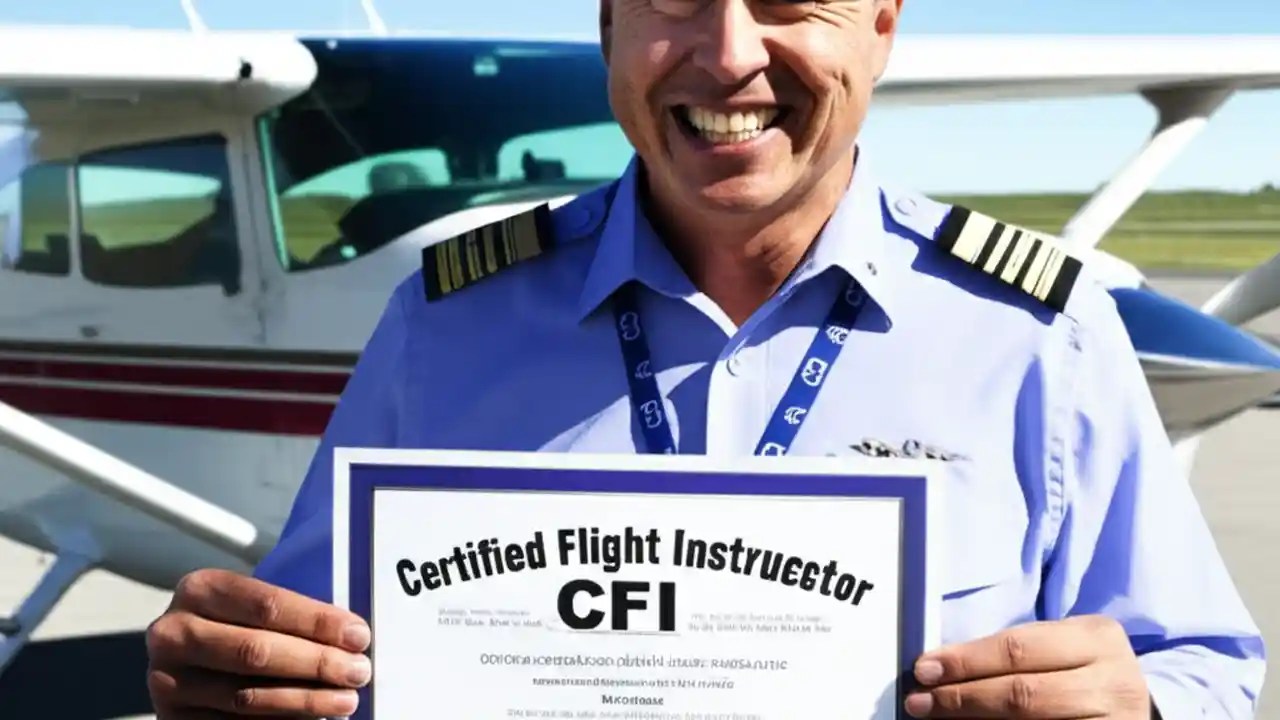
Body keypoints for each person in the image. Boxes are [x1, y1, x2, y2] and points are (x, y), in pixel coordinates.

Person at [143, 0, 1265, 718]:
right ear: (609, 30)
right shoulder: (442, 323)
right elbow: (300, 655)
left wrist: (1140, 707)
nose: (727, 55)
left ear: (878, 25)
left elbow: (1208, 668)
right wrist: (237, 678)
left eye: (787, 2)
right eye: (672, 1)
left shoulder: (1042, 329)